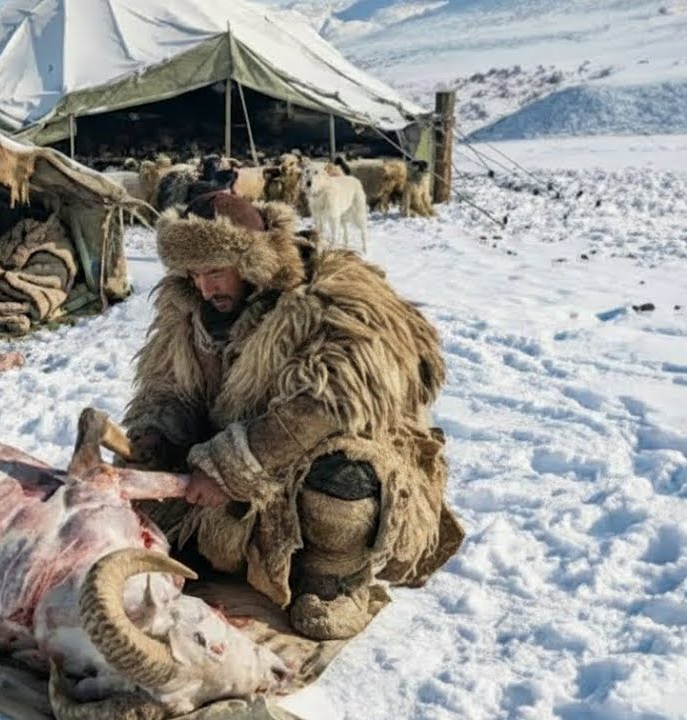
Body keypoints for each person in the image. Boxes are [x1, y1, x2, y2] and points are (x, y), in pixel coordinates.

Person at [120, 191, 465, 641]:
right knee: (138, 493)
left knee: (345, 472)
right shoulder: (189, 311)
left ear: (252, 261)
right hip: (234, 466)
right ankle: (220, 549)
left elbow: (329, 404)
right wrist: (157, 434)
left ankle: (334, 582)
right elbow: (171, 389)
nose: (204, 288)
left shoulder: (330, 297)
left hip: (320, 456)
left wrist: (228, 466)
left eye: (215, 272)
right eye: (194, 274)